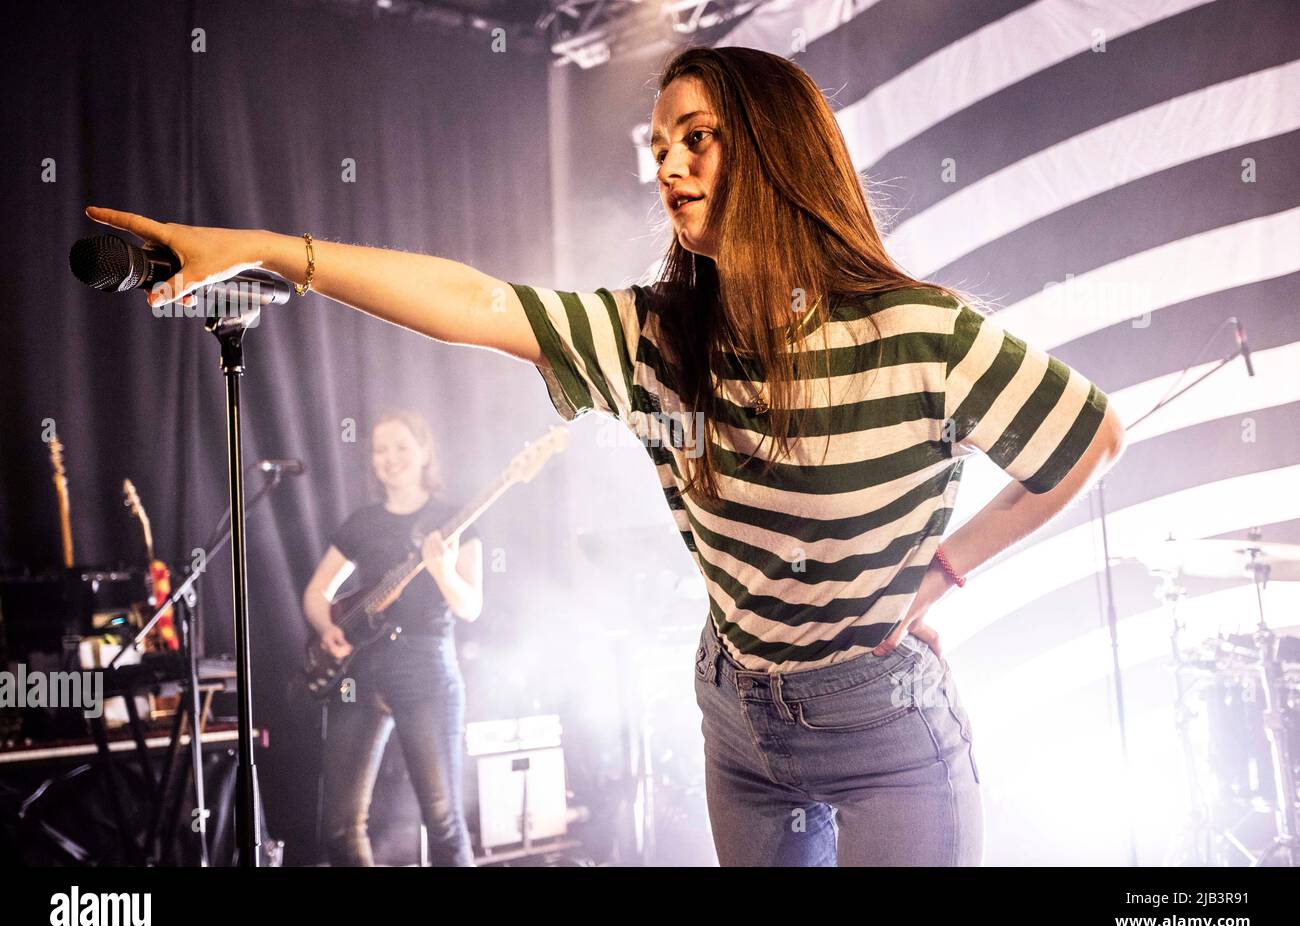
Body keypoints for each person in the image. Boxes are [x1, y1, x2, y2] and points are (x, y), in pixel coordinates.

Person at [86, 45, 1126, 867]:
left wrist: (944, 570)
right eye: (660, 140)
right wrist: (275, 252)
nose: (666, 163)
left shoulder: (921, 331)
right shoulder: (651, 336)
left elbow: (1088, 438)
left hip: (884, 730)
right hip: (738, 715)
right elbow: (479, 303)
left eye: (699, 139)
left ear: (776, 152)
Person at [302, 410, 482, 866]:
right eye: (380, 449)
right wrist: (327, 629)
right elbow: (317, 592)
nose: (390, 457)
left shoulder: (455, 519)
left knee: (442, 820)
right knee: (341, 826)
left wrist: (441, 570)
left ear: (424, 452)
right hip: (361, 674)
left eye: (401, 446)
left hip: (426, 671)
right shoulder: (361, 523)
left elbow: (470, 606)